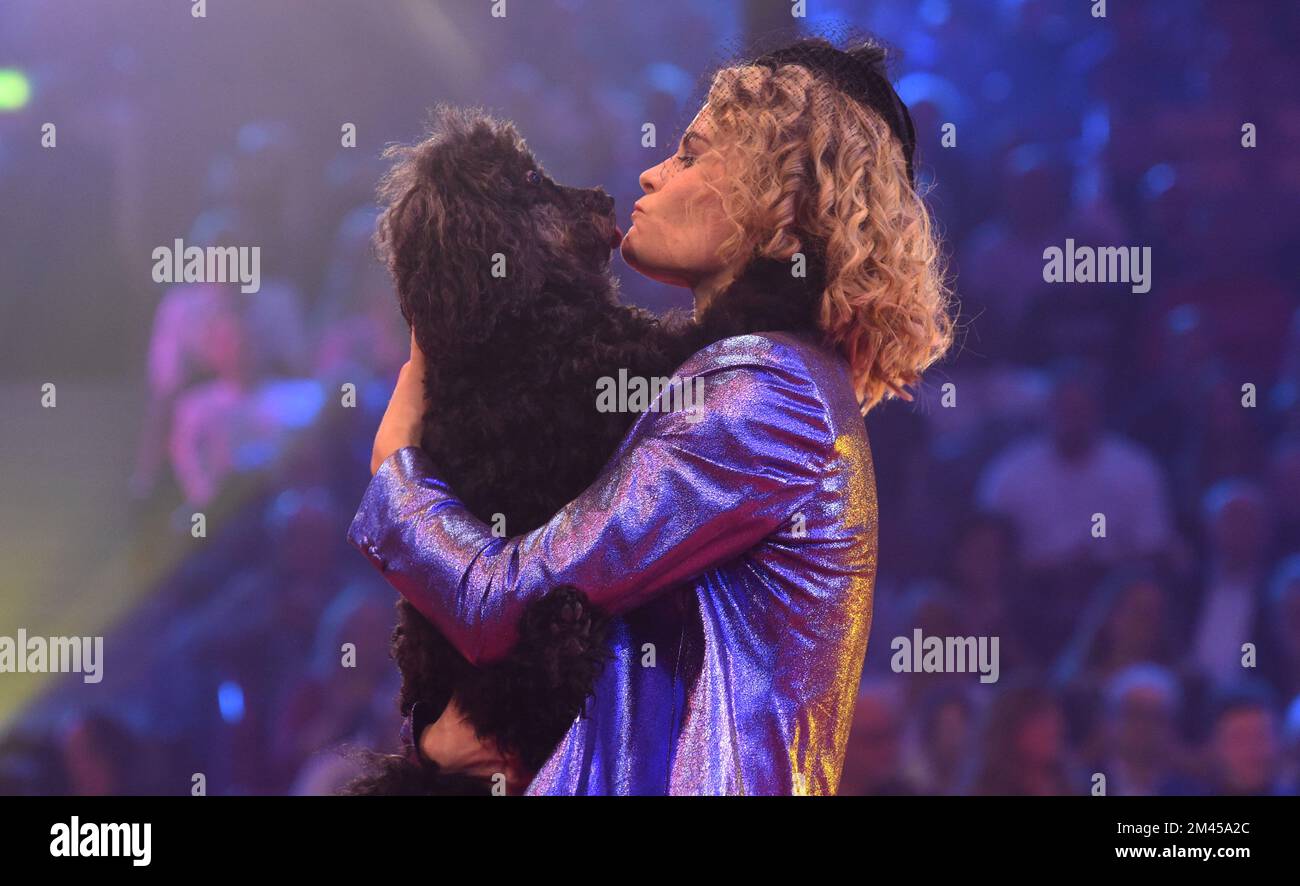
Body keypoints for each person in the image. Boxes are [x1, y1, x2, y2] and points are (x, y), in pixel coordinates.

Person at [352, 37, 954, 795]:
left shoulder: (765, 393)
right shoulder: (759, 378)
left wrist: (396, 473)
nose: (651, 173)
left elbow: (513, 601)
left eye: (691, 155)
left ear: (782, 202)